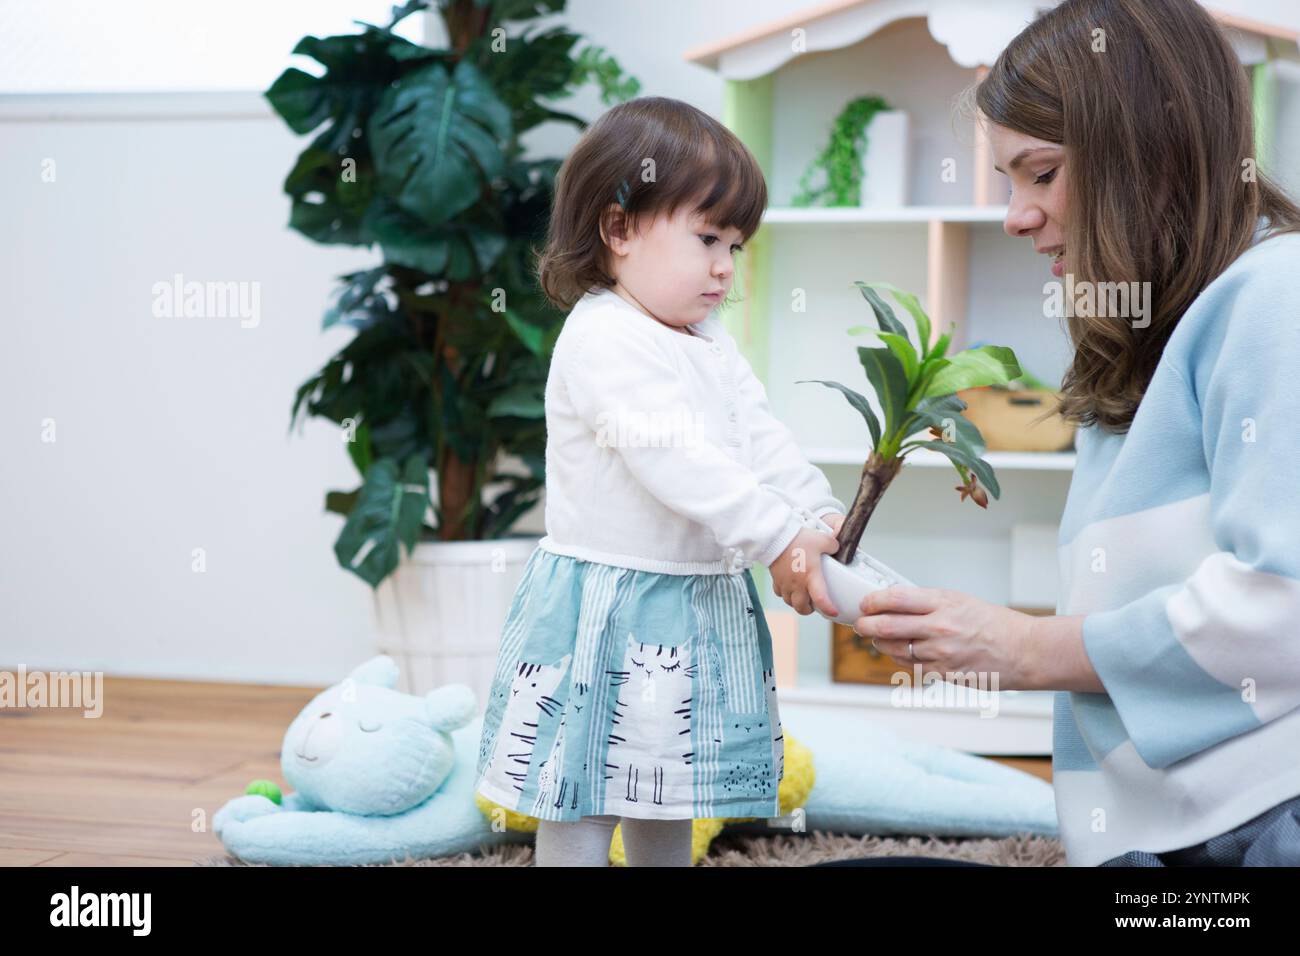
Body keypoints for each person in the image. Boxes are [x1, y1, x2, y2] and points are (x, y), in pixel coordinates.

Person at [848, 0, 1300, 866]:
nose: (1015, 215)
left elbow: (1284, 605)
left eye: (1041, 173)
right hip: (1171, 833)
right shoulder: (1151, 332)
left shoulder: (1276, 296)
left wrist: (1023, 647)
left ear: (1149, 154)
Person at [472, 96, 846, 866]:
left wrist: (814, 510)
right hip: (611, 605)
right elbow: (675, 457)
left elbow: (758, 440)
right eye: (707, 237)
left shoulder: (707, 342)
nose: (724, 266)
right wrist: (777, 537)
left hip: (691, 603)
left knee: (668, 786)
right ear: (618, 230)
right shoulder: (603, 335)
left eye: (736, 246)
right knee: (584, 790)